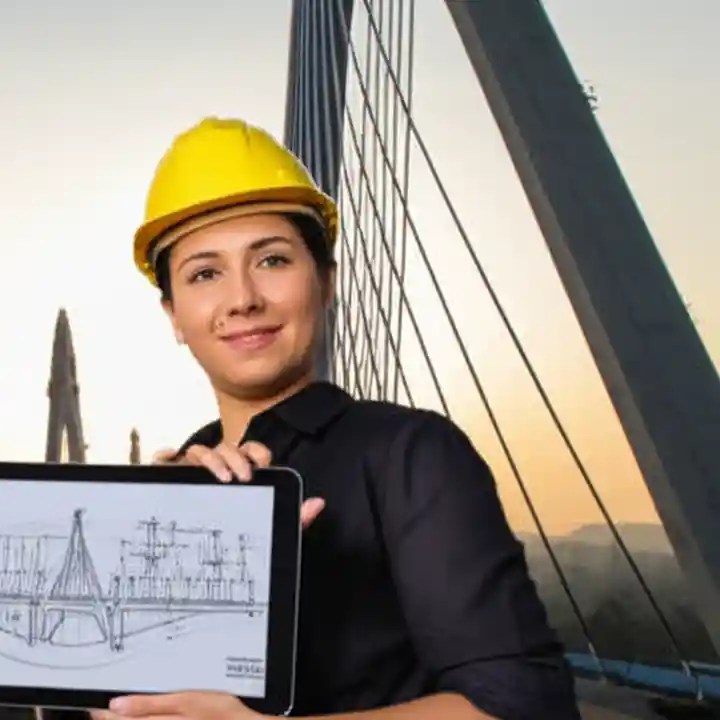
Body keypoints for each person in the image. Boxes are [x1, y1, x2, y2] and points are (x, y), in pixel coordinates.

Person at [49, 117, 581, 720]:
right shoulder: (180, 479)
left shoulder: (407, 454)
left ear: (326, 281)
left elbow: (525, 707)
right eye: (204, 273)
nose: (242, 298)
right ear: (174, 314)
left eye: (272, 260)